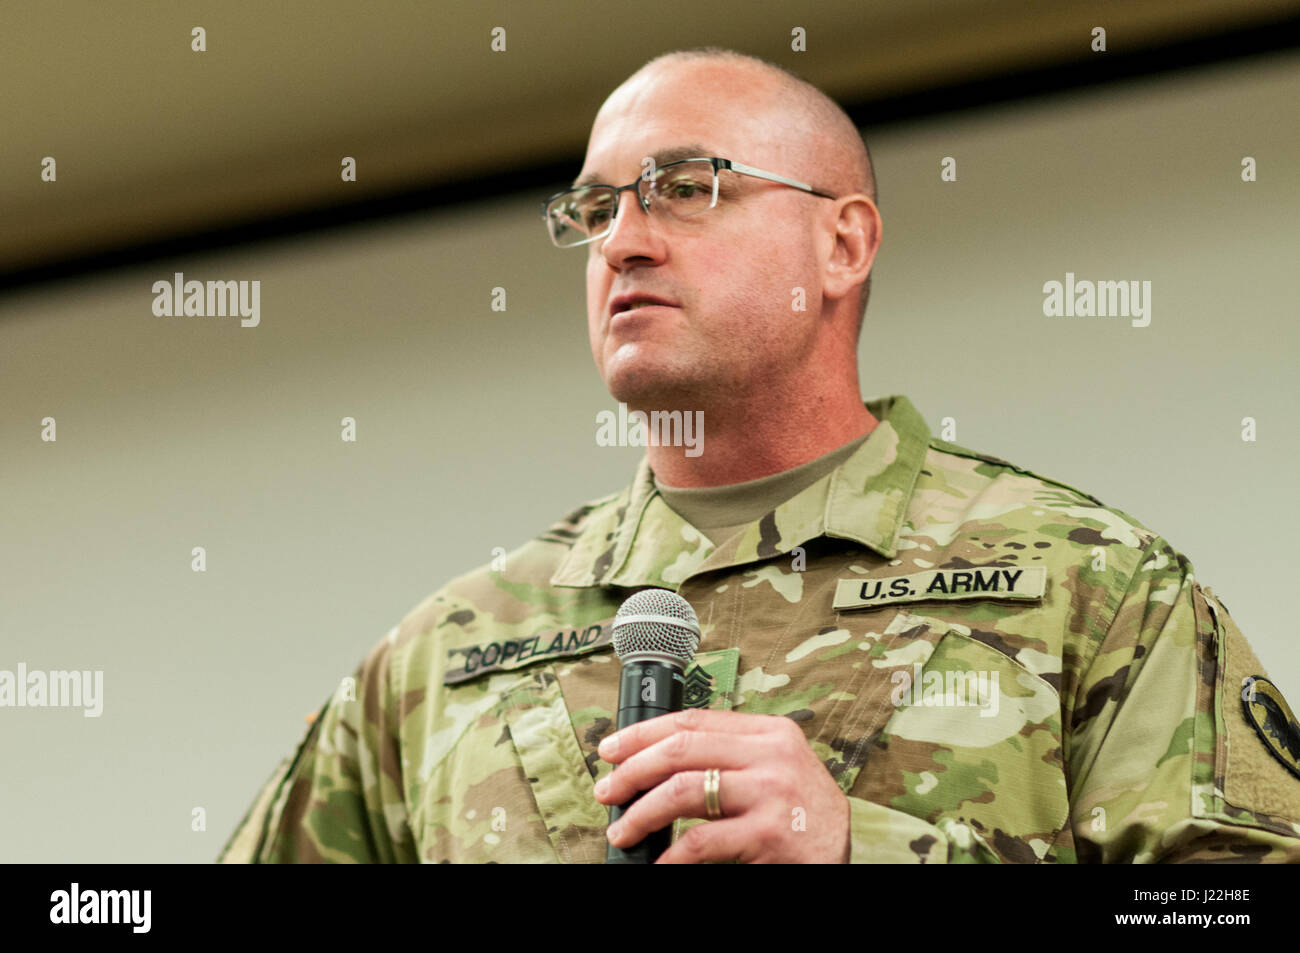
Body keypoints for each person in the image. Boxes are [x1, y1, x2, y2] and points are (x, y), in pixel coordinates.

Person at [218, 47, 1300, 864]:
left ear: (843, 244)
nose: (621, 242)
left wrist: (861, 847)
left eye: (687, 188)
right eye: (594, 210)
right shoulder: (441, 654)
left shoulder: (1089, 583)